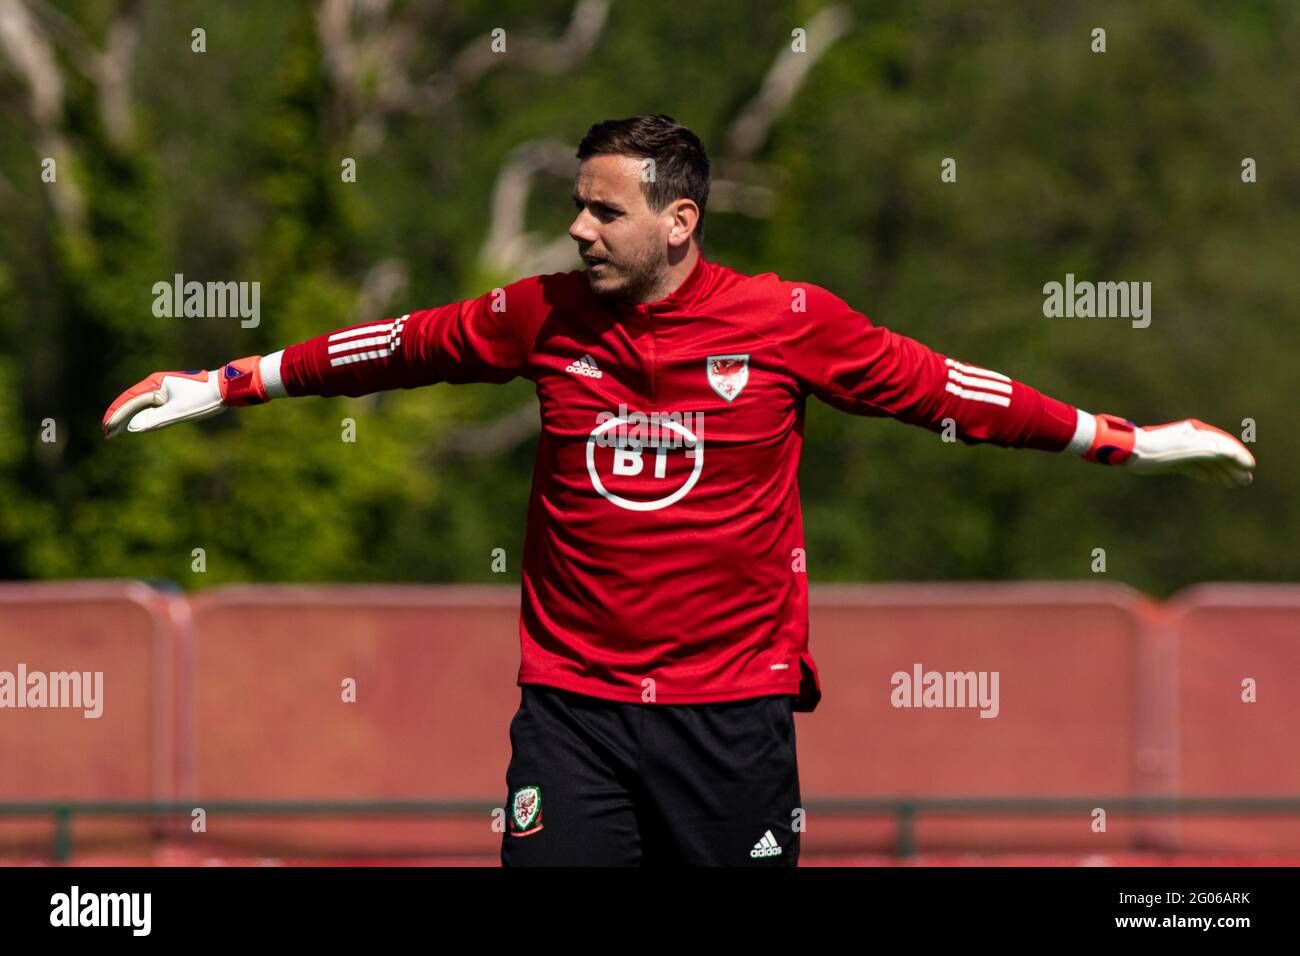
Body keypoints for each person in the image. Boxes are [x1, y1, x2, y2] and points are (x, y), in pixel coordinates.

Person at [102, 114, 1256, 866]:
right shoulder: (539, 315)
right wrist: (226, 380)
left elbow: (951, 390)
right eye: (576, 205)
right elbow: (395, 344)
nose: (578, 227)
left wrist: (1126, 440)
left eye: (604, 209)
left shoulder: (791, 322)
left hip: (730, 715)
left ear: (679, 221)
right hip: (572, 710)